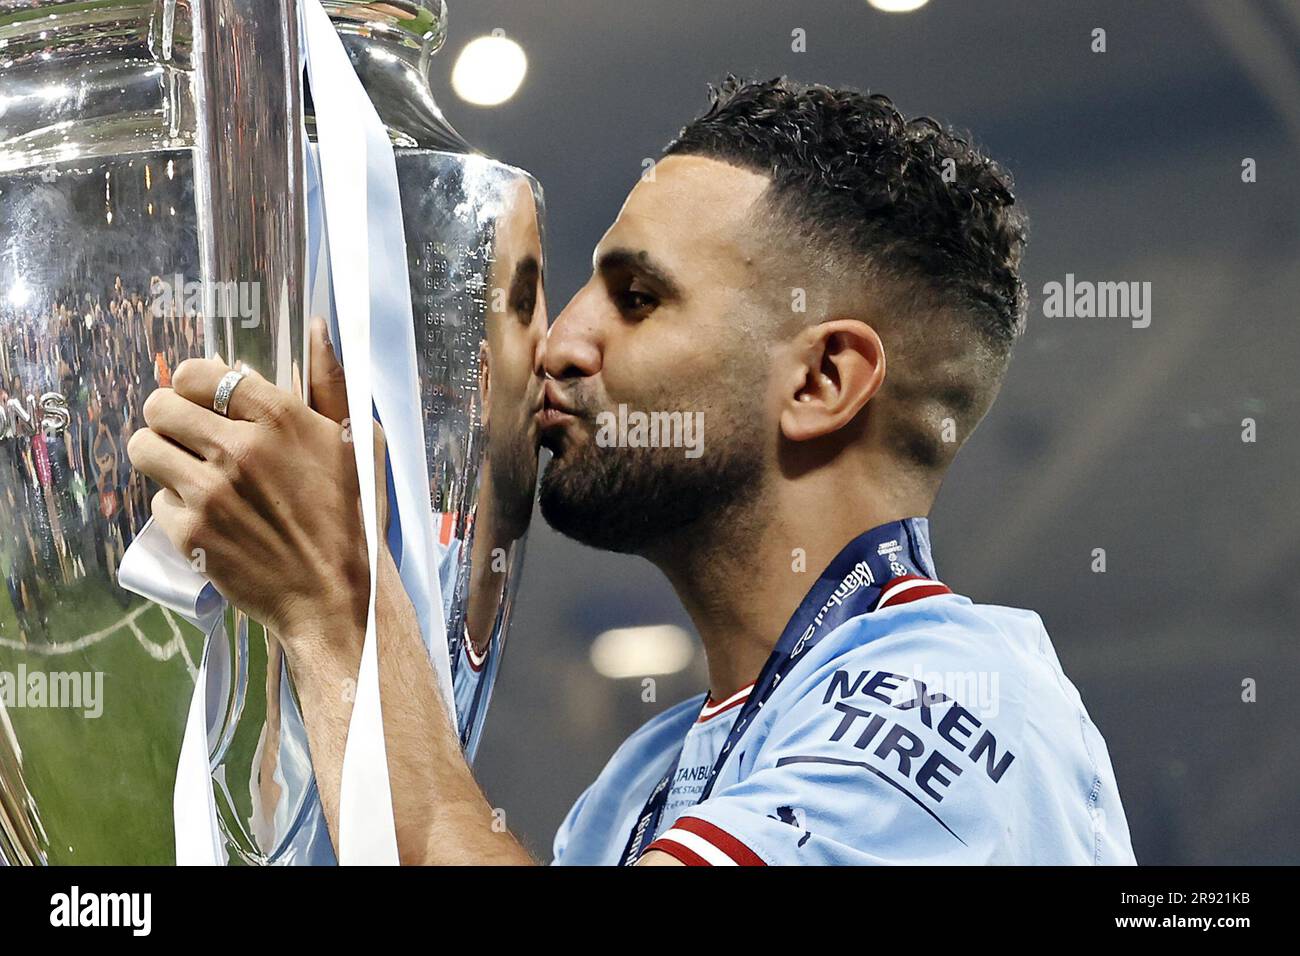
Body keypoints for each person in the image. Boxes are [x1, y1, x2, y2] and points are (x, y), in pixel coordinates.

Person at [127, 77, 1135, 865]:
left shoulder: (954, 703)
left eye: (639, 297)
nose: (562, 341)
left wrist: (340, 600)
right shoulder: (638, 786)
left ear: (824, 378)